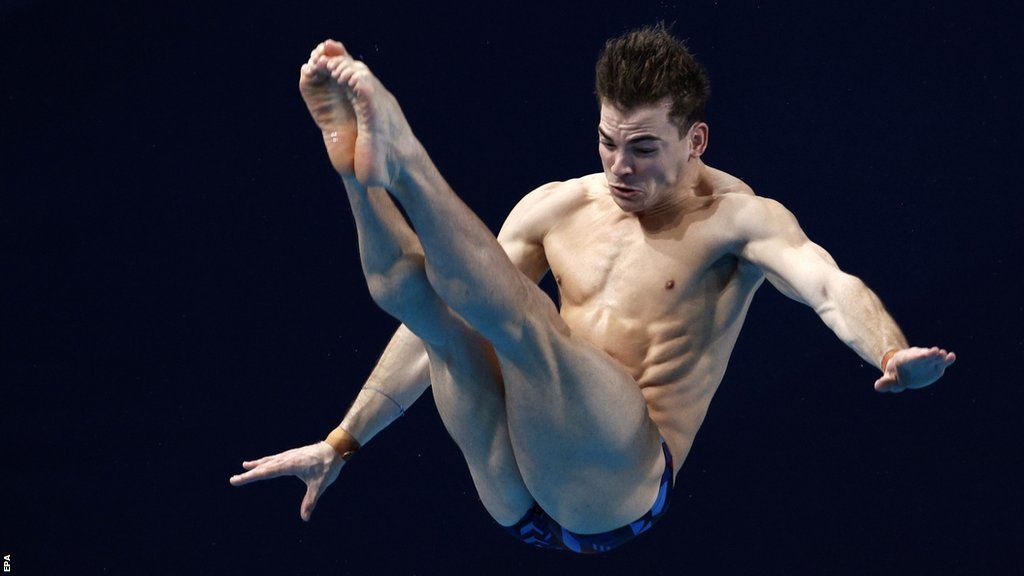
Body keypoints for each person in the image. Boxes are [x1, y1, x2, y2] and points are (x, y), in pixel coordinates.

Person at [229, 25, 956, 554]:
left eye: (644, 148)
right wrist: (344, 439)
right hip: (517, 490)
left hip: (621, 486)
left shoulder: (740, 222)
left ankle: (404, 161)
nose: (620, 167)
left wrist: (890, 351)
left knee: (527, 323)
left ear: (695, 141)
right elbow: (440, 320)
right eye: (609, 142)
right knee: (437, 314)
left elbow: (830, 286)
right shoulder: (559, 206)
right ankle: (362, 176)